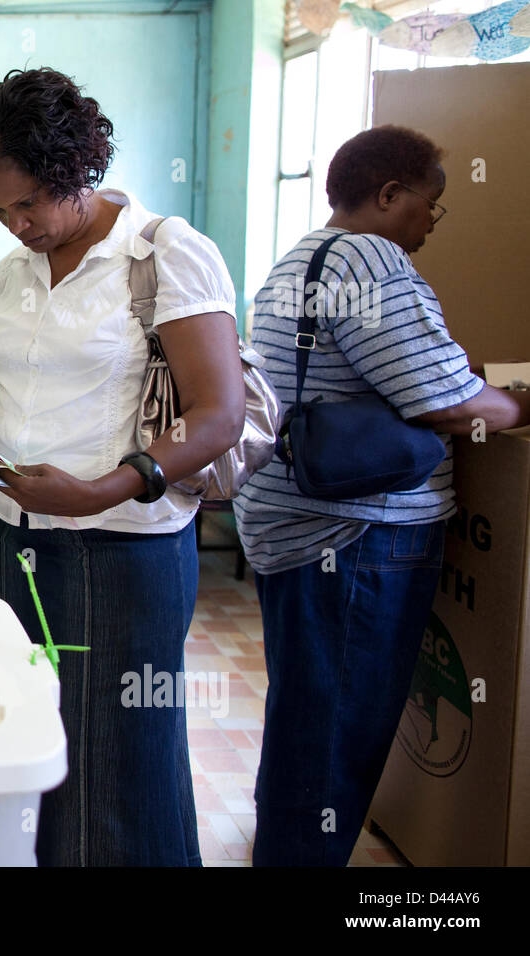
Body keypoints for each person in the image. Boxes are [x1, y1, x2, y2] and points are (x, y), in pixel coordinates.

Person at [0, 68, 245, 866]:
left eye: (29, 201)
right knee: (42, 738)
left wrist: (104, 487)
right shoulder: (12, 274)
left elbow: (218, 415)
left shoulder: (165, 253)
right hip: (21, 541)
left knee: (123, 759)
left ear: (77, 167)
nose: (16, 224)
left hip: (125, 549)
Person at [233, 125, 530, 866]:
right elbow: (448, 401)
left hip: (302, 523)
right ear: (389, 195)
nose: (432, 221)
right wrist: (522, 405)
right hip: (355, 534)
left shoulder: (302, 255)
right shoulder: (369, 258)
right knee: (336, 735)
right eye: (431, 205)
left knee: (312, 721)